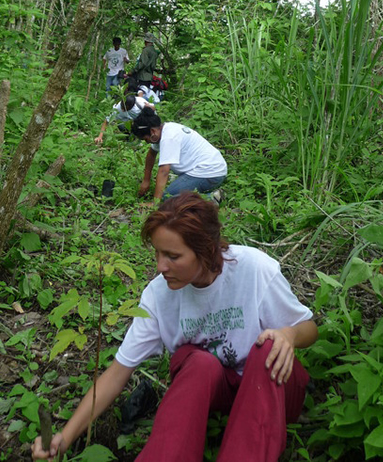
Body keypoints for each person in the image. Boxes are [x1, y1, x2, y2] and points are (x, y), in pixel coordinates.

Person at [31, 193, 317, 462]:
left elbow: (309, 329)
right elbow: (118, 373)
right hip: (218, 391)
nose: (161, 266)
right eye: (157, 254)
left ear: (205, 250)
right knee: (197, 362)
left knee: (269, 346)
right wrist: (64, 437)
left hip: (273, 391)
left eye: (173, 256)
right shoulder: (158, 296)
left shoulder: (253, 269)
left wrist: (288, 335)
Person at [132, 111, 227, 202]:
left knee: (167, 198)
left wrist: (155, 203)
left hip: (210, 172)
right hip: (209, 169)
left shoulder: (169, 137)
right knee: (169, 195)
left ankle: (211, 198)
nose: (147, 142)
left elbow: (164, 171)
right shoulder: (163, 130)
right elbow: (151, 154)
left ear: (152, 131)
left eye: (145, 139)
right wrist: (146, 180)